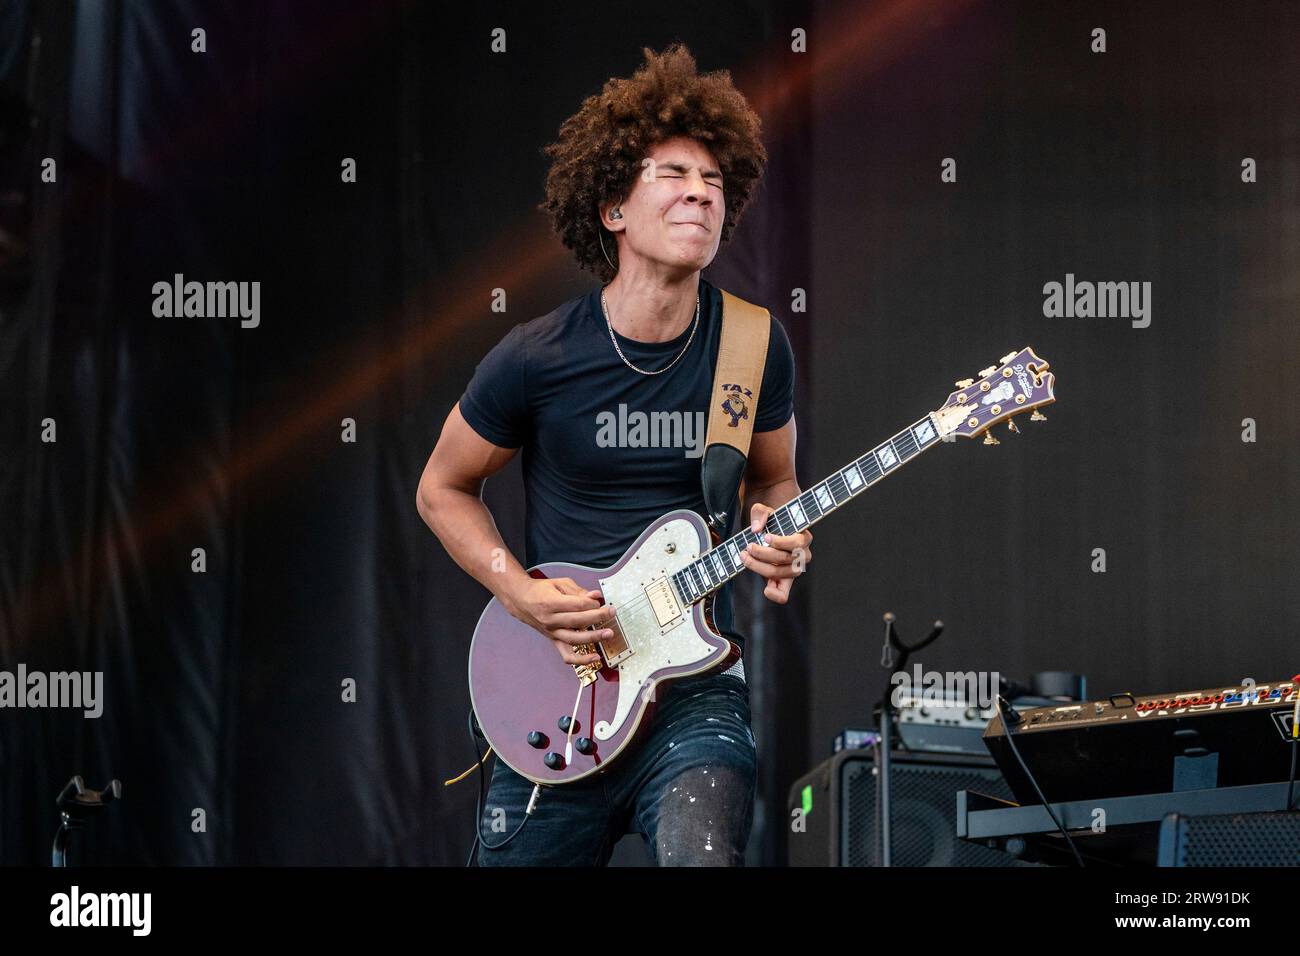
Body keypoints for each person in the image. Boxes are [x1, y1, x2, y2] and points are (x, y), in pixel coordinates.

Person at [417, 43, 809, 866]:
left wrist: (779, 527)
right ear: (612, 210)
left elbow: (773, 479)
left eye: (713, 180)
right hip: (559, 688)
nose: (700, 190)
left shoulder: (752, 346)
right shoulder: (536, 357)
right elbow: (442, 488)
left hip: (696, 693)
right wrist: (519, 593)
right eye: (673, 173)